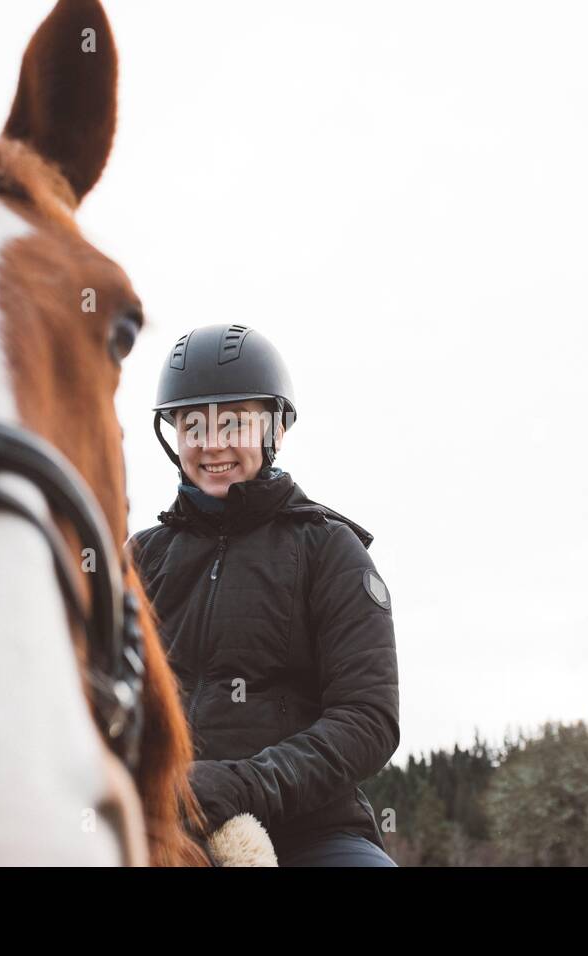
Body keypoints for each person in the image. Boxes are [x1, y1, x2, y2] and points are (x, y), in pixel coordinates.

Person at [127, 324, 400, 867]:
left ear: (274, 428)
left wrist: (246, 784)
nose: (212, 444)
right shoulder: (140, 559)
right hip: (157, 819)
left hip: (310, 831)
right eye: (192, 425)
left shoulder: (330, 550)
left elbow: (369, 717)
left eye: (233, 422)